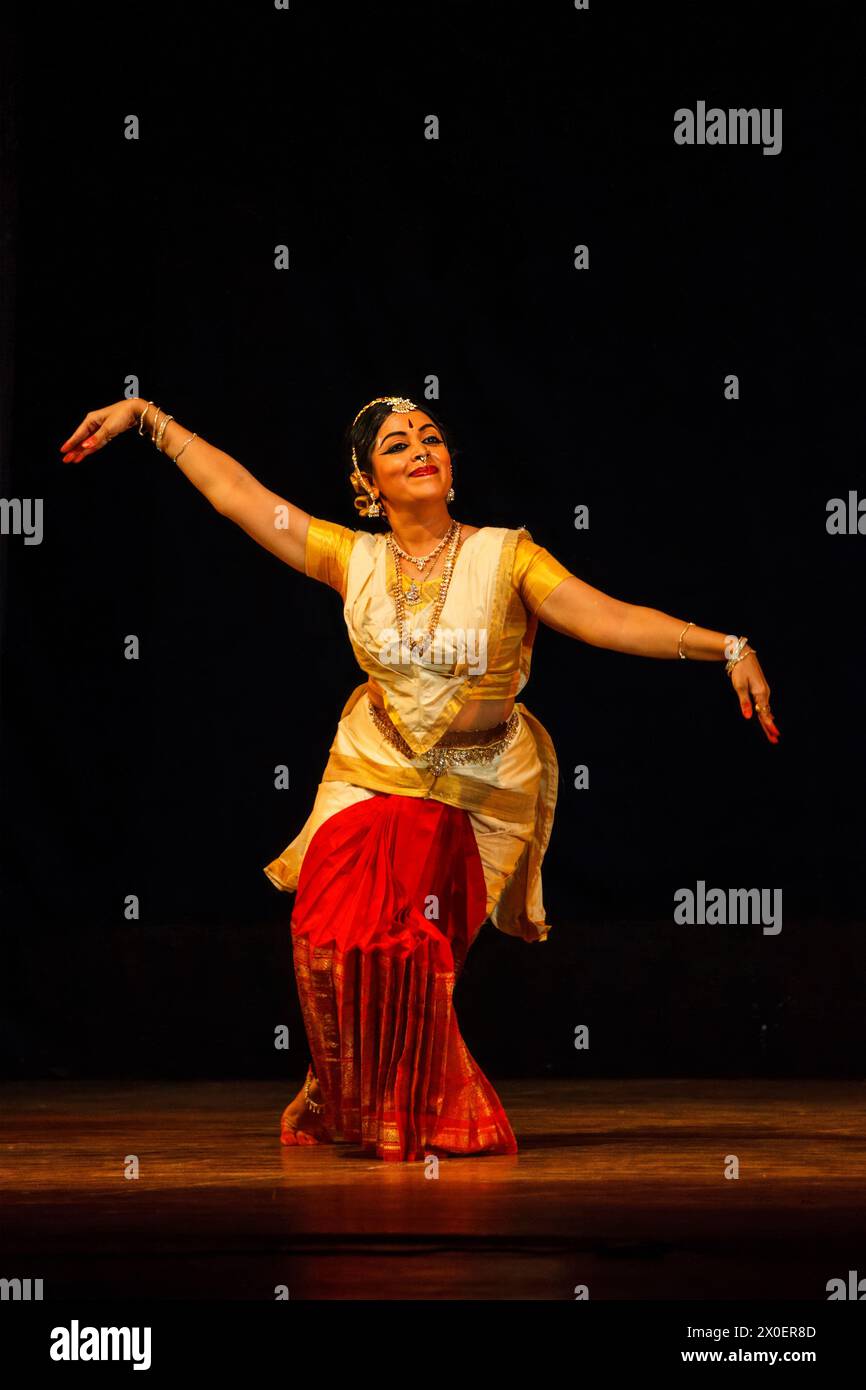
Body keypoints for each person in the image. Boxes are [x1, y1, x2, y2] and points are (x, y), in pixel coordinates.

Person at [59, 393, 780, 1162]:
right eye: (397, 444)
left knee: (408, 950)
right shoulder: (353, 556)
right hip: (375, 766)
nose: (419, 449)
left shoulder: (507, 555)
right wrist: (147, 419)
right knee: (326, 931)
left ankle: (393, 1102)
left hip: (482, 785)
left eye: (430, 437)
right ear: (367, 482)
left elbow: (604, 616)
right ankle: (346, 1084)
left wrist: (726, 647)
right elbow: (241, 497)